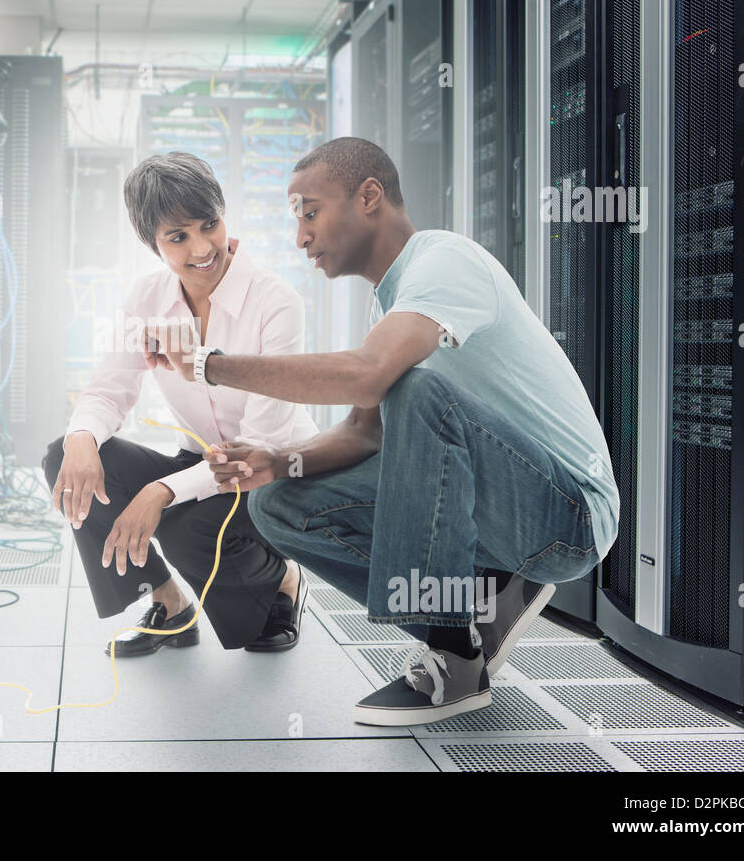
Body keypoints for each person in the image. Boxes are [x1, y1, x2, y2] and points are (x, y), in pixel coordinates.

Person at [148, 137, 620, 725]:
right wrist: (277, 459)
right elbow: (362, 435)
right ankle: (477, 605)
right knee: (279, 503)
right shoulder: (391, 304)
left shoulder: (444, 260)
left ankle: (455, 659)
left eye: (310, 212)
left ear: (368, 196)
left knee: (417, 391)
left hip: (569, 515)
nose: (301, 238)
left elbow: (370, 376)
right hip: (504, 508)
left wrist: (207, 364)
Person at [43, 151, 318, 656]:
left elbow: (257, 445)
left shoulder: (276, 303)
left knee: (187, 528)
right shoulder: (147, 297)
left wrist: (159, 493)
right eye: (178, 237)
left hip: (275, 472)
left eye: (208, 224)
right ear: (152, 244)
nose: (202, 247)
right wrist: (81, 439)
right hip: (202, 459)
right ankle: (169, 604)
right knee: (66, 454)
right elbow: (109, 388)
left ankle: (282, 579)